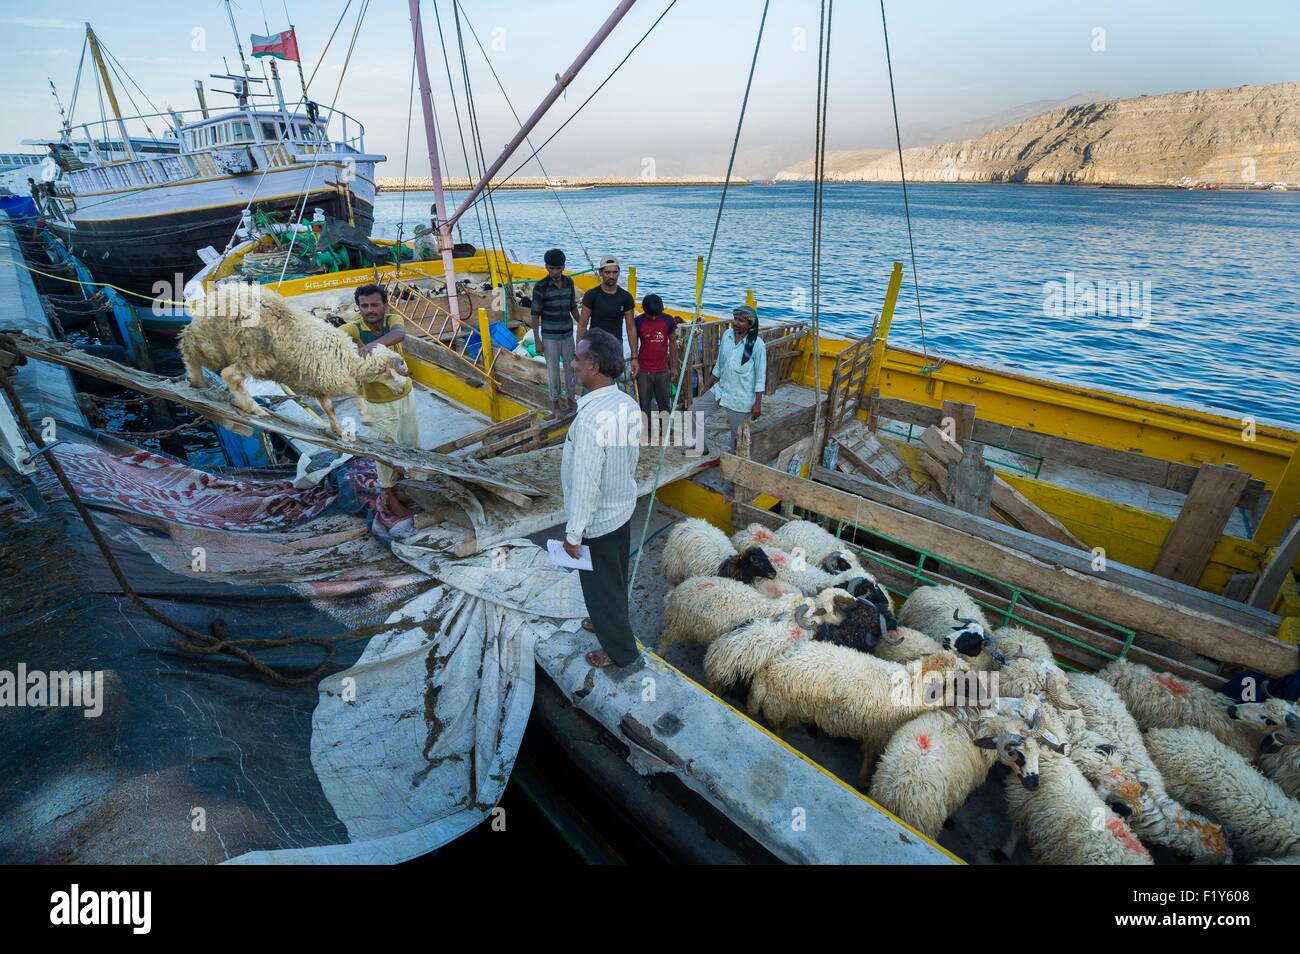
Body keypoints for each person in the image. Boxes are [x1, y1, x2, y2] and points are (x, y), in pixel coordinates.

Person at [561, 328, 642, 669]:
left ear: (593, 367)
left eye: (577, 358)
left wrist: (573, 535)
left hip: (596, 523)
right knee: (615, 578)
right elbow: (631, 459)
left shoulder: (591, 420)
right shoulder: (626, 402)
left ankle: (620, 651)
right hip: (621, 511)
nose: (572, 363)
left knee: (601, 588)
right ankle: (604, 617)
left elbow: (585, 483)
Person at [341, 284, 419, 521]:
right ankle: (389, 496)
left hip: (406, 395)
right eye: (364, 306)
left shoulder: (391, 320)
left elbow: (399, 333)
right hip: (379, 404)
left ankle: (406, 487)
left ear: (385, 305)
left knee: (410, 445)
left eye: (375, 305)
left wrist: (374, 345)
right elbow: (337, 337)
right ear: (359, 308)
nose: (370, 310)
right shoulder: (353, 328)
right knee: (384, 452)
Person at [701, 304, 767, 454]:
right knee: (693, 413)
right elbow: (719, 364)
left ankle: (734, 466)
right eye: (735, 319)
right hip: (722, 389)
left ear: (750, 324)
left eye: (741, 320)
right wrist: (708, 384)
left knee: (736, 438)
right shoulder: (727, 335)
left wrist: (758, 404)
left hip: (740, 397)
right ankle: (700, 447)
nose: (736, 323)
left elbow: (760, 377)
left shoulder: (757, 345)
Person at [531, 248, 581, 414]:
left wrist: (582, 325)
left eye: (558, 268)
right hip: (549, 336)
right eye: (551, 268)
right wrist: (538, 340)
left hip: (567, 334)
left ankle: (571, 399)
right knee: (553, 371)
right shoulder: (540, 287)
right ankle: (555, 403)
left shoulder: (569, 283)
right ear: (546, 267)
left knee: (571, 368)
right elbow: (535, 315)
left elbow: (572, 307)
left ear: (563, 267)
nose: (555, 272)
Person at [578, 255, 637, 385]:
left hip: (615, 348)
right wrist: (579, 351)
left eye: (615, 272)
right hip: (594, 347)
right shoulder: (591, 295)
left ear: (619, 273)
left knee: (613, 384)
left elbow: (631, 327)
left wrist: (634, 357)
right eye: (607, 272)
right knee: (591, 384)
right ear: (601, 273)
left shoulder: (625, 297)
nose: (611, 276)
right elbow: (582, 325)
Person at [633, 294, 678, 439]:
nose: (653, 318)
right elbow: (634, 342)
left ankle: (665, 430)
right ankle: (646, 431)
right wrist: (635, 362)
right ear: (643, 311)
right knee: (644, 403)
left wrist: (674, 367)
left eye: (656, 315)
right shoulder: (638, 322)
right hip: (644, 369)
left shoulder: (668, 321)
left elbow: (672, 343)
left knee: (664, 402)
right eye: (650, 315)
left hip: (662, 370)